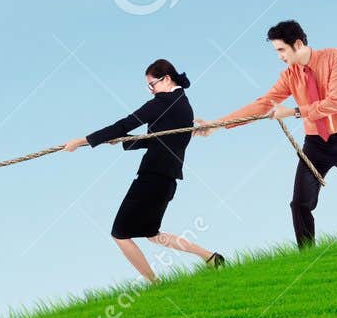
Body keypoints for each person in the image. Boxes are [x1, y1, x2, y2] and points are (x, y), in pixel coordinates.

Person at [199, 19, 337, 248]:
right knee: (300, 204)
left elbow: (334, 103)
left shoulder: (334, 57)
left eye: (281, 50)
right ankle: (306, 256)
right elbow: (262, 105)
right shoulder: (289, 76)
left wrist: (294, 111)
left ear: (298, 44)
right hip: (315, 145)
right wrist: (215, 125)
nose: (280, 56)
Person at [64, 59, 226, 281]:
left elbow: (123, 124)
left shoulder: (161, 103)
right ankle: (210, 257)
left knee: (119, 234)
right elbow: (158, 141)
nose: (151, 91)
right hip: (167, 181)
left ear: (166, 79)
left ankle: (155, 284)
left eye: (153, 85)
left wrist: (81, 141)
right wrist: (123, 141)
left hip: (152, 177)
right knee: (152, 234)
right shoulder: (184, 104)